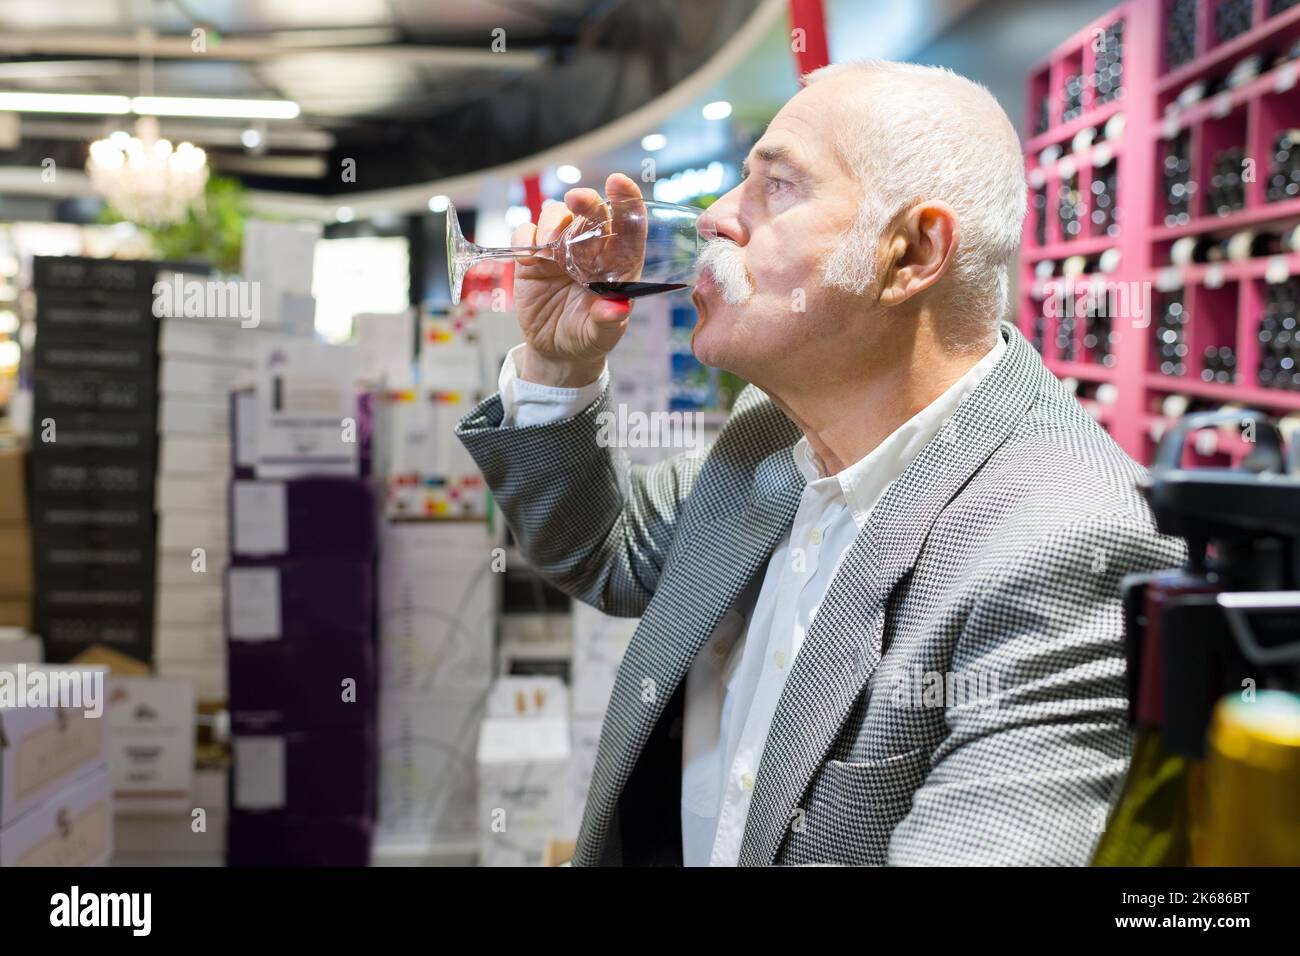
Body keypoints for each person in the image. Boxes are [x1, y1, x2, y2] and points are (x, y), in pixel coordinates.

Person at [457, 59, 1186, 866]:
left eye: (776, 187)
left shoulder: (1068, 543)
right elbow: (606, 555)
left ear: (909, 253)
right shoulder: (769, 427)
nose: (714, 219)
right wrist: (560, 369)